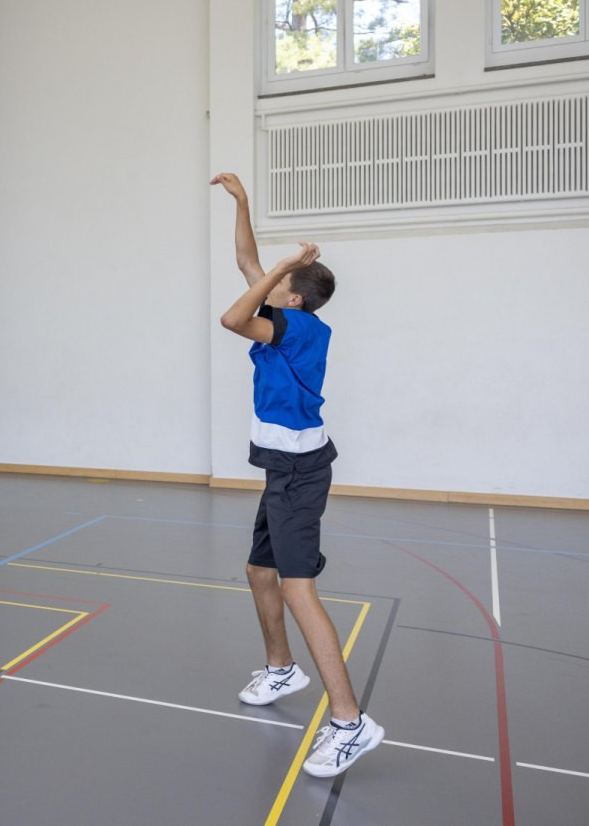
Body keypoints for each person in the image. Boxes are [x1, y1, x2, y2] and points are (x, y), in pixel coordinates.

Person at [212, 172, 384, 777]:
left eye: (276, 281)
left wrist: (285, 262)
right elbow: (244, 259)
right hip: (281, 465)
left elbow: (232, 320)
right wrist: (243, 203)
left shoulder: (295, 327)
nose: (264, 280)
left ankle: (348, 721)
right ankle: (282, 667)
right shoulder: (284, 313)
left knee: (295, 586)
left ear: (291, 299)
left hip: (297, 471)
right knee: (260, 570)